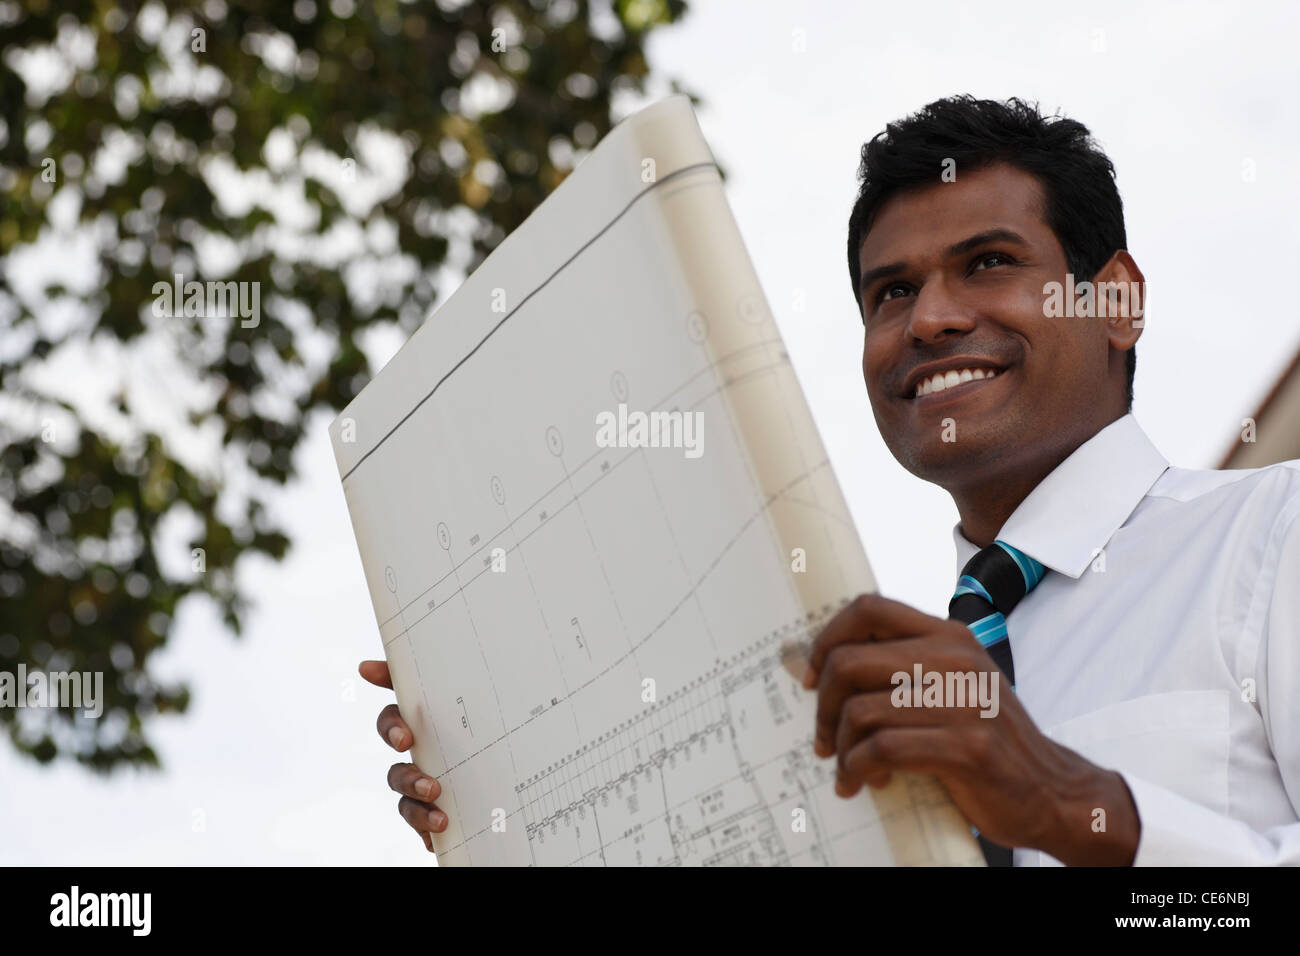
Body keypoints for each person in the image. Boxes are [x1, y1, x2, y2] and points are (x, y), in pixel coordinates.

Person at [361, 96, 1300, 865]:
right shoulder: (851, 693)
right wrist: (509, 802)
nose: (929, 319)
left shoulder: (1274, 532)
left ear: (1118, 301)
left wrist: (1073, 804)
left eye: (988, 263)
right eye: (891, 292)